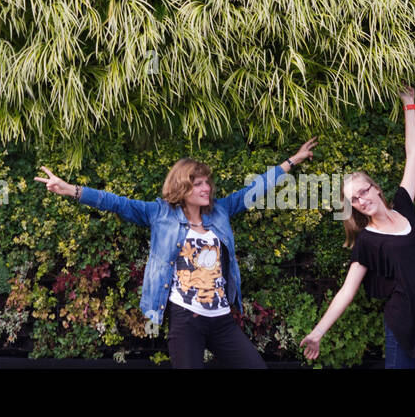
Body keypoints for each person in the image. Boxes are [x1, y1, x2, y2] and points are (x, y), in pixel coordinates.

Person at [35, 137, 318, 368]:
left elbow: (255, 190)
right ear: (181, 187)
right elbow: (115, 203)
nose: (206, 188)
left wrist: (292, 160)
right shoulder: (159, 213)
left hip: (221, 318)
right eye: (198, 184)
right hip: (186, 318)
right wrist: (71, 190)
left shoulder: (220, 211)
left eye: (207, 182)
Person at [300, 86, 415, 368]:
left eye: (363, 191)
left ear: (375, 188)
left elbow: (414, 154)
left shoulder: (404, 205)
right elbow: (347, 290)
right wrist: (317, 332)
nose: (361, 200)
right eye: (354, 200)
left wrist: (409, 105)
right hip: (404, 323)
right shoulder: (368, 241)